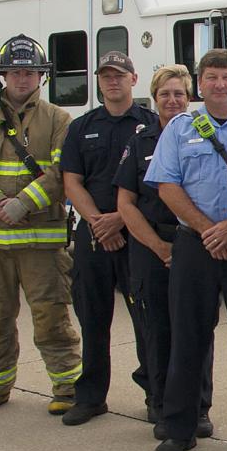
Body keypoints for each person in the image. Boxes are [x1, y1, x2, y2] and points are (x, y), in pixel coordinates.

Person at [145, 48, 227, 451]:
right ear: (200, 84)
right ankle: (180, 429)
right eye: (211, 77)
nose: (219, 84)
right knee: (188, 338)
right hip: (195, 246)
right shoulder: (180, 128)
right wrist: (209, 231)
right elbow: (167, 186)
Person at [0, 34, 81, 415]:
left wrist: (23, 203)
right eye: (14, 72)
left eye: (29, 73)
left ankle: (67, 388)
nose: (22, 79)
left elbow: (62, 173)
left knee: (52, 318)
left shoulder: (58, 119)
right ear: (3, 75)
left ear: (41, 76)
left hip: (40, 245)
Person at [114, 64, 215, 439]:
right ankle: (159, 401)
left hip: (194, 242)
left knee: (198, 329)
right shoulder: (139, 142)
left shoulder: (204, 133)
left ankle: (198, 407)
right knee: (156, 328)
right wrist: (157, 247)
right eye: (165, 94)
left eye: (179, 94)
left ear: (189, 98)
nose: (172, 101)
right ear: (154, 98)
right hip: (150, 244)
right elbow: (126, 203)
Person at [59, 52, 155, 426]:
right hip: (94, 235)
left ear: (134, 79)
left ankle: (155, 394)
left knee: (147, 320)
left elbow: (158, 184)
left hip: (137, 234)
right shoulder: (81, 127)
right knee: (92, 318)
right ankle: (91, 397)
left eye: (120, 75)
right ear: (98, 81)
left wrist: (122, 219)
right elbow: (72, 182)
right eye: (106, 76)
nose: (113, 81)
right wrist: (99, 223)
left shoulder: (151, 125)